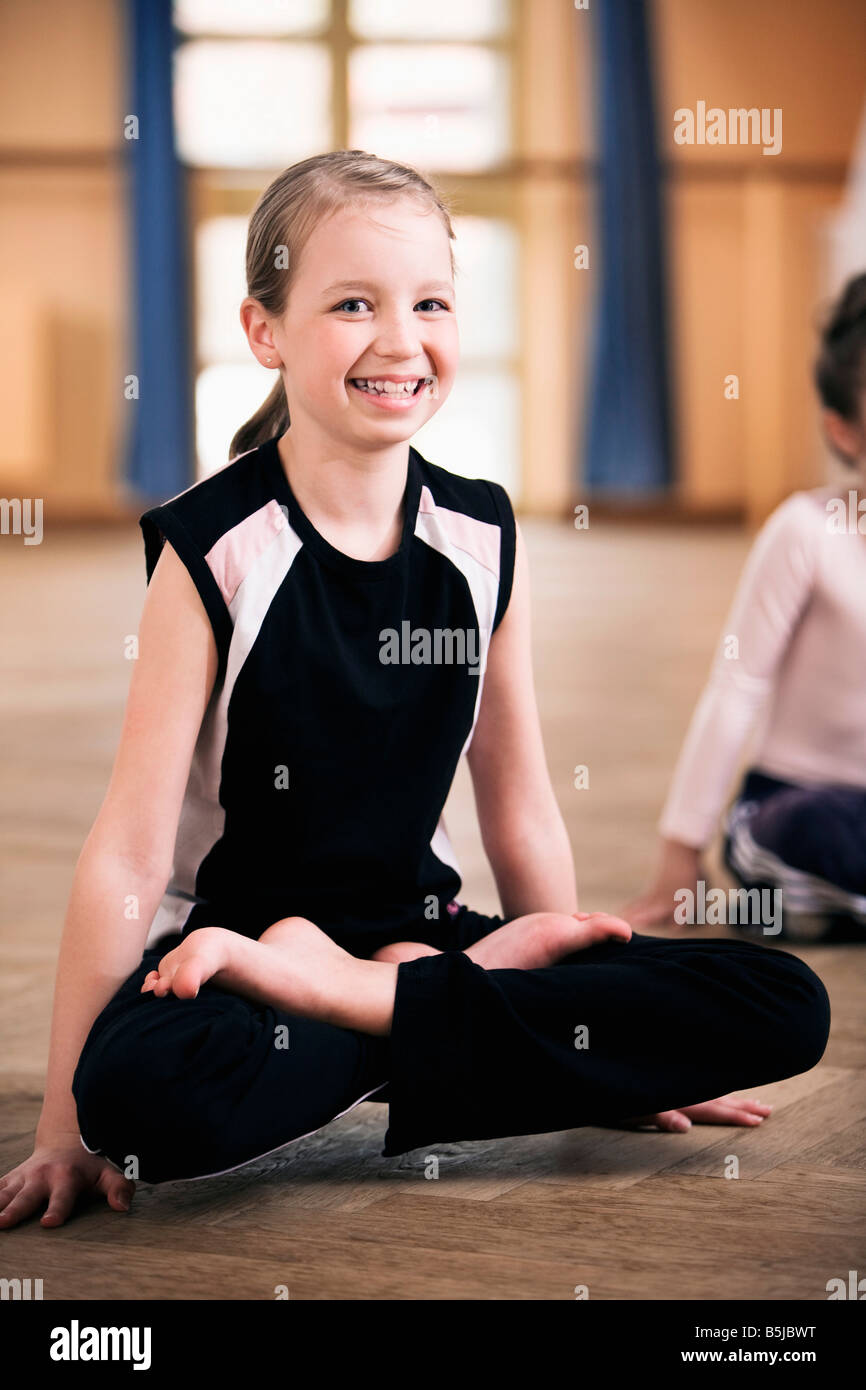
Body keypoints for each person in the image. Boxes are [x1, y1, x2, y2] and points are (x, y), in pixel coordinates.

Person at [0, 152, 830, 1229]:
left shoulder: (479, 533)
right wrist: (63, 1125)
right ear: (266, 332)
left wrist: (571, 1012)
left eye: (429, 302)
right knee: (139, 1099)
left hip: (426, 934)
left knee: (783, 1002)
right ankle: (396, 1016)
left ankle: (359, 1002)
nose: (399, 339)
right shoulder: (212, 548)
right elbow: (128, 848)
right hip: (237, 955)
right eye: (352, 304)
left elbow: (518, 796)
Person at [622, 272, 866, 944]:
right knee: (815, 828)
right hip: (798, 802)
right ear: (843, 431)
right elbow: (738, 685)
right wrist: (681, 850)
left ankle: (830, 904)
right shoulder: (808, 530)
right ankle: (805, 892)